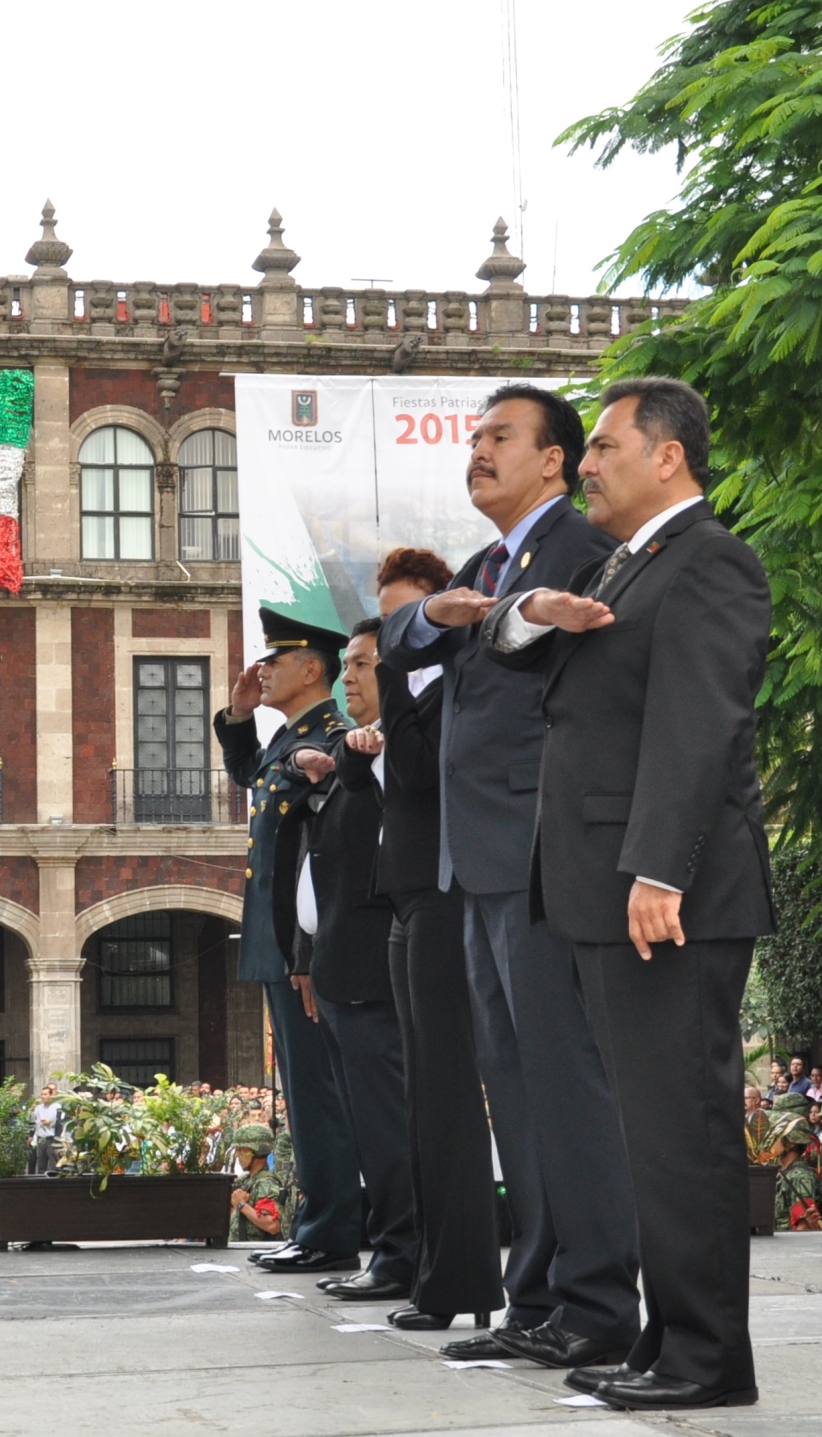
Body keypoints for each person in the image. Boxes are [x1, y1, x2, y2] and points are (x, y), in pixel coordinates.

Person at [478, 377, 773, 1411]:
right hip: (604, 890)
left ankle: (706, 1358)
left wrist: (659, 867)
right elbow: (503, 640)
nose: (587, 464)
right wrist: (533, 607)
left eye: (603, 446)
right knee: (651, 1134)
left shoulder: (709, 560)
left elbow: (699, 724)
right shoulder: (623, 562)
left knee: (684, 1130)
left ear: (667, 456)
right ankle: (666, 1340)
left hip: (666, 894)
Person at [381, 382, 640, 1373]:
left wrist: (500, 613)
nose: (477, 452)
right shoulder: (489, 562)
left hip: (537, 854)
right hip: (479, 859)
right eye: (473, 438)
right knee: (518, 1092)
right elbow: (402, 638)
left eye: (499, 436)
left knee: (561, 1086)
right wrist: (435, 611)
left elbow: (539, 641)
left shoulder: (572, 546)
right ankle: (536, 1296)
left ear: (553, 459)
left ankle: (598, 1301)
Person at [348, 548, 503, 1331]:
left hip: (446, 895)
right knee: (423, 1098)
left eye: (407, 619)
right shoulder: (410, 695)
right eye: (388, 624)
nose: (395, 637)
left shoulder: (449, 687)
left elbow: (415, 776)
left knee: (445, 1096)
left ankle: (460, 1281)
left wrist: (394, 689)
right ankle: (434, 1275)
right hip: (406, 895)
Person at [215, 606, 366, 1278]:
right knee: (301, 1094)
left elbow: (321, 855)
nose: (262, 670)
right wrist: (238, 716)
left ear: (311, 670)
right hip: (278, 941)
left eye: (274, 661)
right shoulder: (288, 738)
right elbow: (249, 773)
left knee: (317, 1092)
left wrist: (309, 952)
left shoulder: (331, 739)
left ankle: (332, 1229)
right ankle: (316, 1223)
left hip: (301, 943)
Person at [299, 620, 418, 1304]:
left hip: (377, 978)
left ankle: (403, 1254)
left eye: (362, 664)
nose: (347, 676)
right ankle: (393, 1249)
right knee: (371, 1132)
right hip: (341, 973)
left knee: (389, 1130)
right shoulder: (351, 756)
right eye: (345, 664)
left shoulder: (398, 755)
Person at [228, 1123, 287, 1244]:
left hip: (252, 1251)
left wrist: (241, 1205)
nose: (237, 1155)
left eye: (242, 1149)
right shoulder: (247, 1179)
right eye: (237, 1149)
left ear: (258, 1151)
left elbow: (272, 1225)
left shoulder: (266, 1183)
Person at [771, 1121, 821, 1231]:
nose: (770, 1144)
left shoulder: (800, 1176)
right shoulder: (782, 1172)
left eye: (775, 1139)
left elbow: (804, 1225)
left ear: (790, 1143)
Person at [29, 1086, 63, 1175]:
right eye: (42, 1094)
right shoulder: (38, 1108)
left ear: (51, 1095)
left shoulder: (57, 1107)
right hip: (41, 1139)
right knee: (41, 1164)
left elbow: (60, 1123)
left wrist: (50, 1123)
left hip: (51, 1139)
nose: (43, 1096)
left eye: (45, 1094)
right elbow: (33, 1121)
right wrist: (31, 1135)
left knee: (54, 1164)